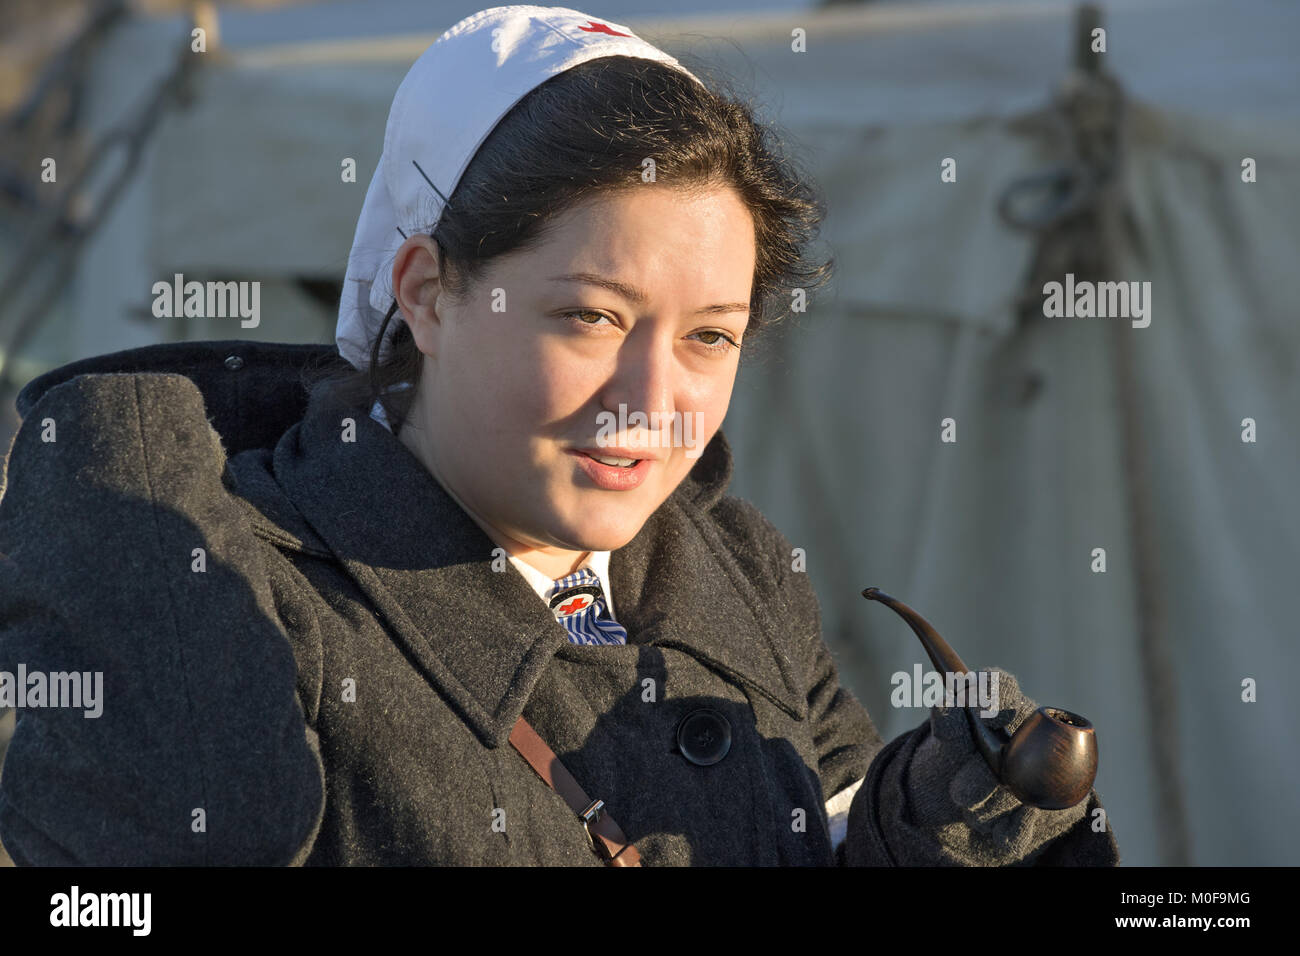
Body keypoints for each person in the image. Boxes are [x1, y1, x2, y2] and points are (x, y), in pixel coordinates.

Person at [0, 5, 1119, 866]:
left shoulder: (735, 574)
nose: (650, 398)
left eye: (710, 337)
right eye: (591, 317)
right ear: (428, 292)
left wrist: (938, 822)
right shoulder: (224, 592)